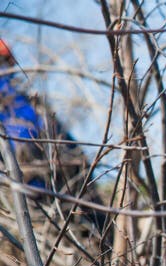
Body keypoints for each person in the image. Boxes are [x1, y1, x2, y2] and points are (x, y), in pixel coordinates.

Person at [0, 39, 105, 237]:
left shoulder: (29, 104)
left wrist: (77, 162)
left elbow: (66, 142)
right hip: (35, 193)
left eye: (3, 64)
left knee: (97, 228)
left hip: (66, 175)